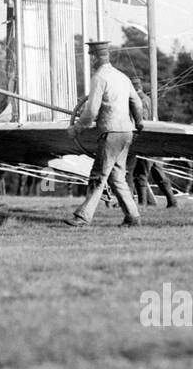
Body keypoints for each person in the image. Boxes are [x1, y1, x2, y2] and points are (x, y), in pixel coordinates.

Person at [66, 40, 143, 228]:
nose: (90, 60)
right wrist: (139, 123)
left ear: (95, 57)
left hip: (111, 133)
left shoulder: (99, 77)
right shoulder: (122, 77)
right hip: (126, 133)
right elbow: (137, 103)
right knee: (117, 177)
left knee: (98, 175)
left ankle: (83, 217)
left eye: (91, 57)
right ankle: (133, 218)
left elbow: (91, 111)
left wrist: (76, 128)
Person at [127, 74, 178, 208]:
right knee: (158, 173)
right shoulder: (146, 99)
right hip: (154, 140)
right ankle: (172, 201)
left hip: (145, 140)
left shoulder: (139, 101)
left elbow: (141, 121)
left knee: (140, 174)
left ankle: (142, 204)